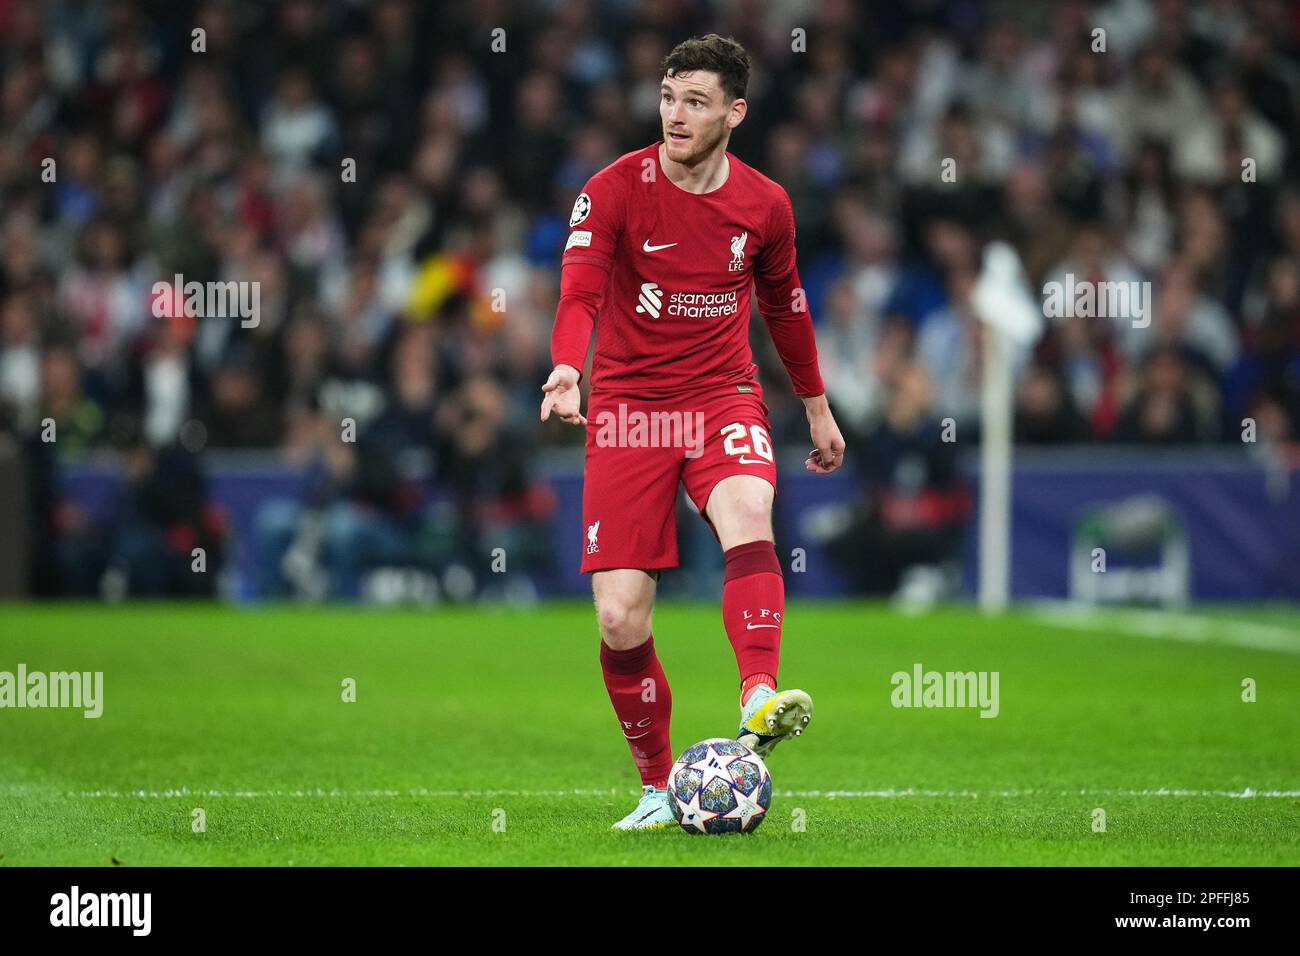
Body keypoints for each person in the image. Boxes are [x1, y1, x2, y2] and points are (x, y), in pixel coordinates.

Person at [539, 35, 845, 830]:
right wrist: (568, 368)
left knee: (748, 513)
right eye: (669, 97)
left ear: (734, 113)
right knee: (619, 616)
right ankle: (654, 784)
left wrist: (814, 406)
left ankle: (759, 694)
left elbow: (786, 307)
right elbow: (579, 294)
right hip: (631, 410)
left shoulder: (766, 204)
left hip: (722, 396)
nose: (675, 114)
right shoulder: (610, 191)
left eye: (696, 101)